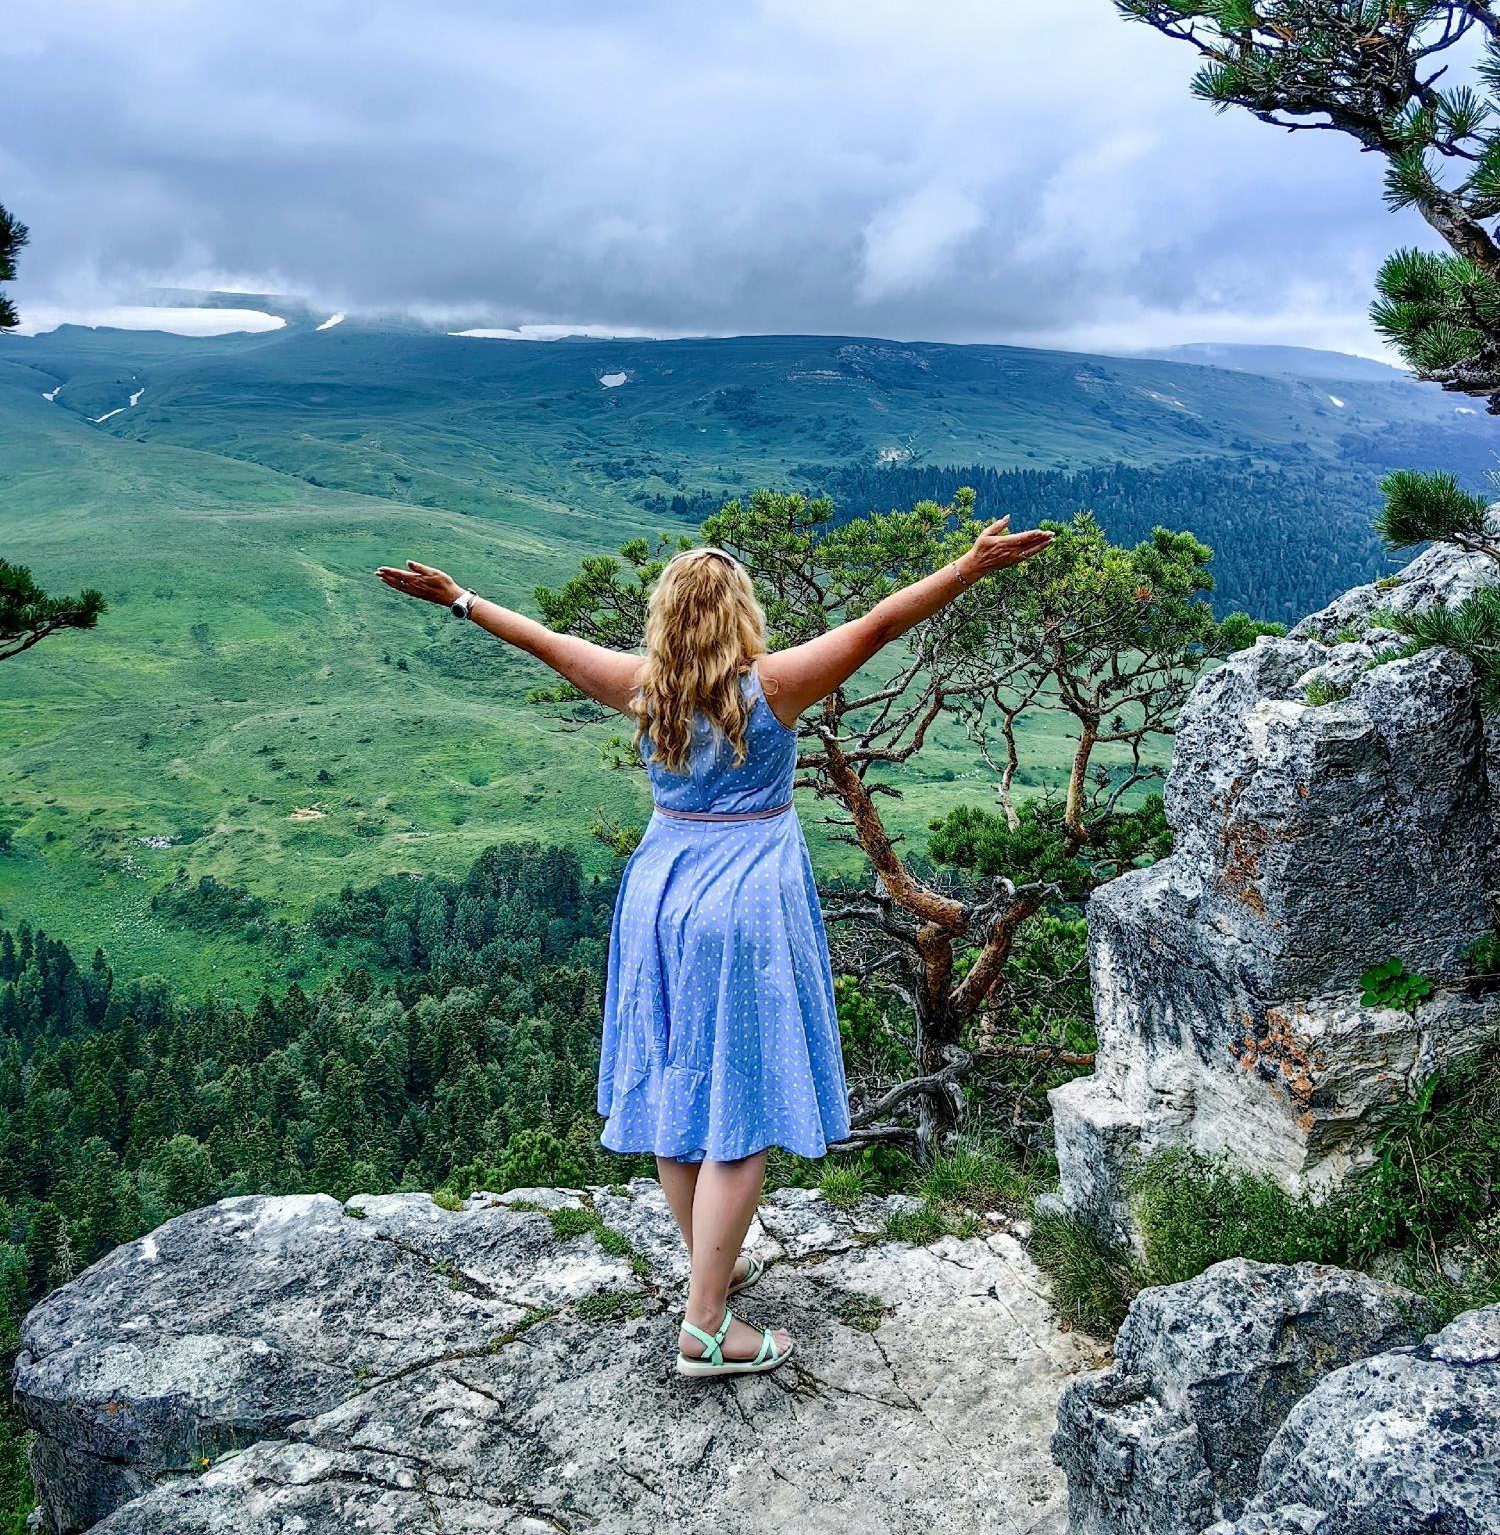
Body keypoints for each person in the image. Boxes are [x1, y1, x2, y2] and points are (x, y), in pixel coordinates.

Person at [376, 513, 1053, 1379]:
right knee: (742, 1097)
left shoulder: (642, 687)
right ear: (739, 614)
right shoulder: (772, 689)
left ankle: (712, 1262)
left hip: (660, 896)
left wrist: (460, 599)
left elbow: (547, 640)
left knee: (676, 1078)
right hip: (742, 902)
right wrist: (966, 566)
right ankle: (704, 1326)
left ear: (666, 619)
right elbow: (881, 622)